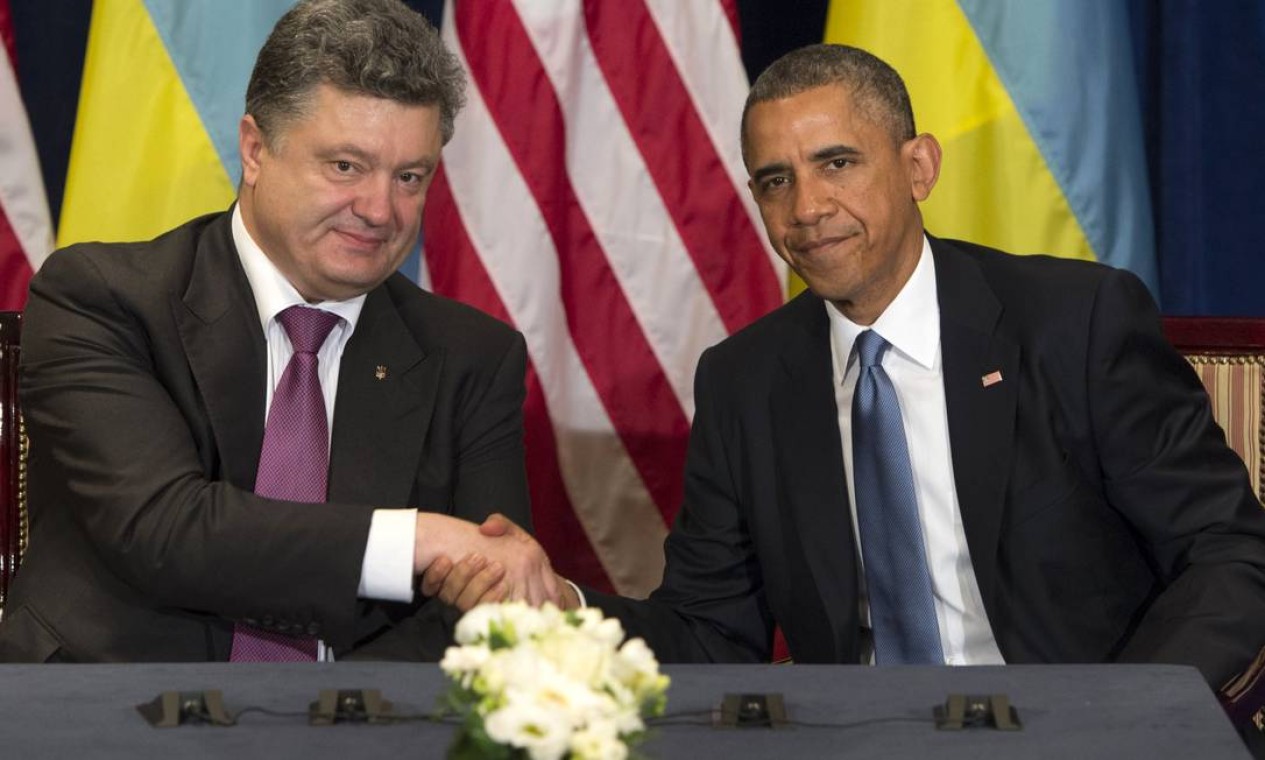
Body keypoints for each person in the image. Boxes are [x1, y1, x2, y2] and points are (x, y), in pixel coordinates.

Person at [428, 43, 1265, 688]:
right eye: (774, 181)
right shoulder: (745, 381)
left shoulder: (1072, 322)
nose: (806, 209)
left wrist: (1126, 720)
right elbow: (709, 635)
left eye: (836, 163)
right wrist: (563, 605)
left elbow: (1228, 552)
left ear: (917, 167)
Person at [0, 0, 561, 663]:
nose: (380, 210)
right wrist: (417, 539)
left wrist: (336, 712)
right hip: (108, 700)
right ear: (255, 149)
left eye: (409, 177)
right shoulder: (104, 298)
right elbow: (163, 528)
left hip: (363, 712)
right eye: (345, 166)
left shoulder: (473, 356)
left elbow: (482, 602)